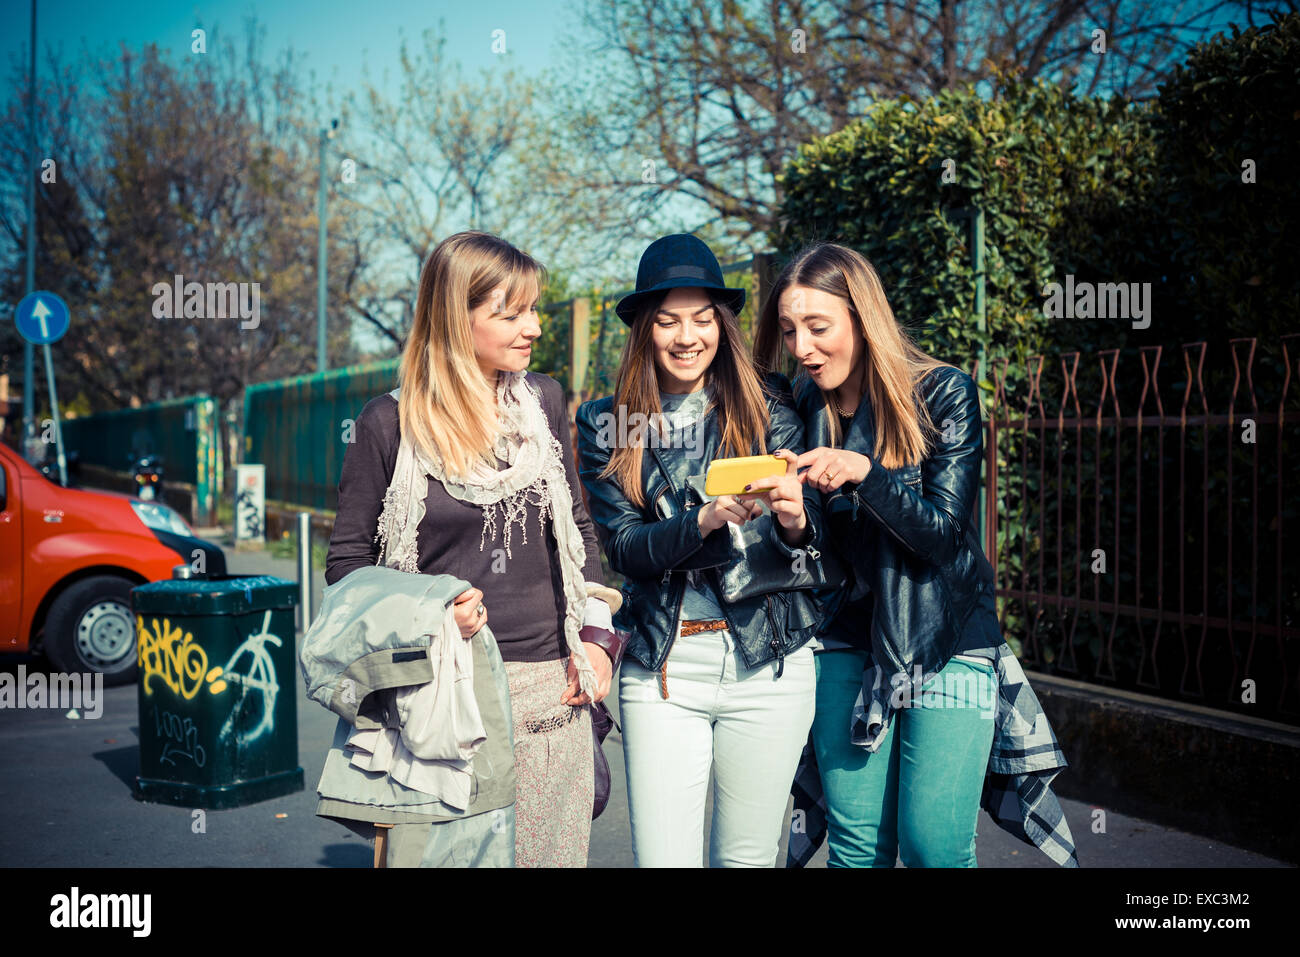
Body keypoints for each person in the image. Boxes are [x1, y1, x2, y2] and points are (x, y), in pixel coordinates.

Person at [752, 241, 1078, 868]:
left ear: (862, 317)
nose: (802, 347)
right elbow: (812, 554)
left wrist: (864, 473)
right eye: (790, 331)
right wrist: (794, 523)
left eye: (818, 327)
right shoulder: (799, 404)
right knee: (858, 847)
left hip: (946, 639)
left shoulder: (942, 393)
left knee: (933, 845)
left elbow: (945, 537)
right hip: (846, 642)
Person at [325, 230, 624, 867]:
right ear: (454, 316)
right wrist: (433, 611)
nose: (534, 327)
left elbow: (577, 526)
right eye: (509, 313)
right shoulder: (389, 423)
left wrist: (598, 644)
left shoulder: (542, 402)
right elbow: (347, 570)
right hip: (440, 701)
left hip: (552, 689)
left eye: (535, 309)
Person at [576, 233, 828, 867]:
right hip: (665, 666)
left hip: (769, 663)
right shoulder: (607, 423)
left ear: (722, 324)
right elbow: (627, 550)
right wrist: (706, 519)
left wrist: (798, 521)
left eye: (702, 319)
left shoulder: (771, 403)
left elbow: (817, 540)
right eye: (667, 321)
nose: (686, 337)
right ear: (642, 330)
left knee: (746, 860)